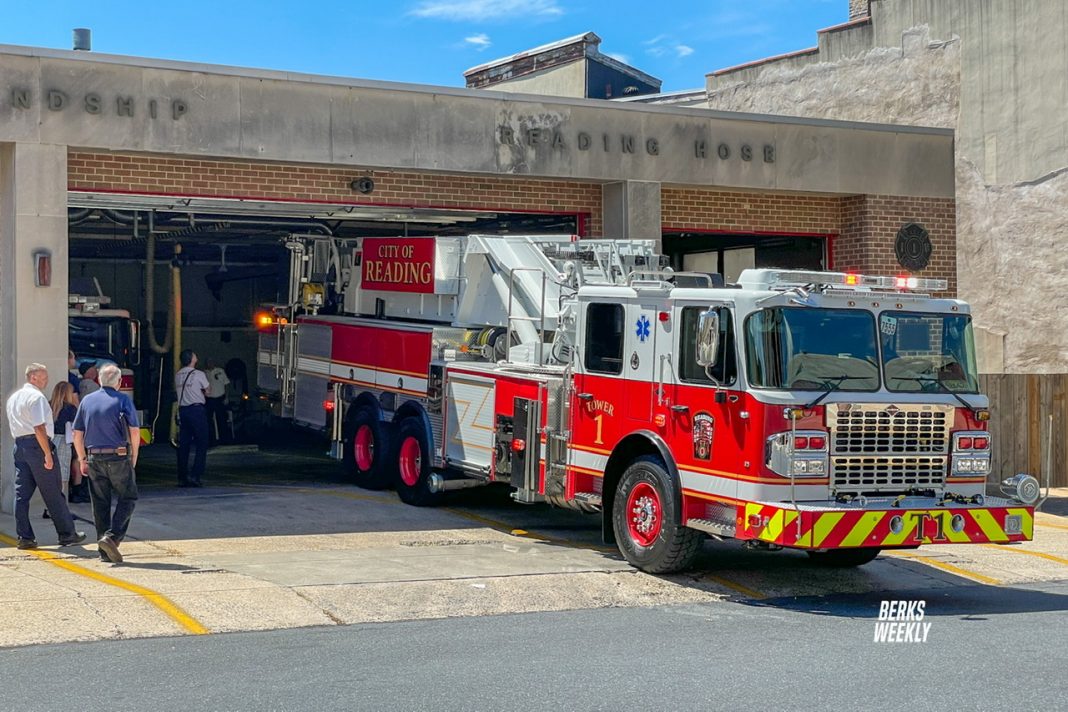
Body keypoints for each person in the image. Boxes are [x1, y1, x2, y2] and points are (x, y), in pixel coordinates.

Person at [5, 363, 87, 550]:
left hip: (20, 446)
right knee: (53, 492)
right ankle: (67, 534)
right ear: (33, 377)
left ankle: (25, 537)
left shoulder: (14, 398)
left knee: (21, 495)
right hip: (37, 445)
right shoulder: (36, 398)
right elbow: (39, 427)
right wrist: (47, 454)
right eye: (43, 376)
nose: (46, 380)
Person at [72, 362, 140, 564]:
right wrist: (134, 456)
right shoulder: (123, 400)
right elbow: (134, 431)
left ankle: (104, 551)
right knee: (128, 497)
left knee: (100, 504)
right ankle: (112, 537)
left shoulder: (86, 401)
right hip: (118, 456)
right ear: (119, 382)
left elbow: (77, 434)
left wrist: (82, 458)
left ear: (99, 380)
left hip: (93, 457)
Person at [175, 349, 210, 487]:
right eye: (195, 355)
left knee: (184, 445)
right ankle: (195, 474)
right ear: (192, 359)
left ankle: (182, 476)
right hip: (196, 410)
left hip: (183, 410)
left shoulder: (178, 375)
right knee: (202, 442)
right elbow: (208, 391)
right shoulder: (198, 374)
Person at [46, 381, 80, 515]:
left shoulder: (48, 405)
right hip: (63, 442)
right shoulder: (70, 408)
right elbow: (76, 428)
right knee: (63, 475)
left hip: (48, 441)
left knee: (50, 476)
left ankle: (49, 508)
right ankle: (59, 509)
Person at [204, 358, 230, 446]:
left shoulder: (220, 371)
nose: (210, 364)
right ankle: (211, 440)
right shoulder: (205, 373)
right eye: (208, 362)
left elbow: (226, 384)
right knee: (208, 420)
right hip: (209, 399)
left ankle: (224, 439)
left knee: (222, 419)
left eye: (211, 362)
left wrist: (226, 397)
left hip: (220, 398)